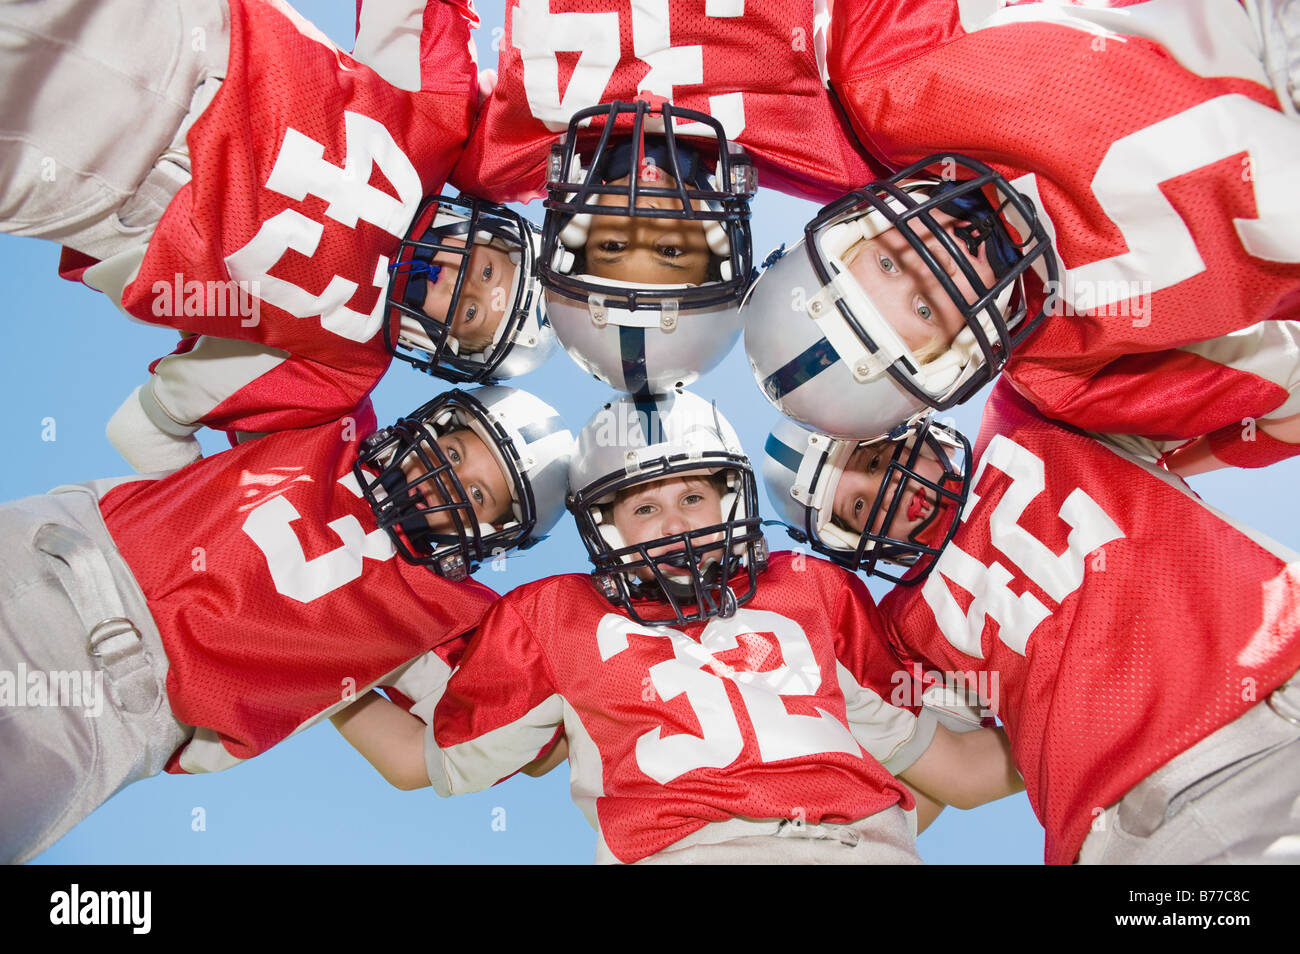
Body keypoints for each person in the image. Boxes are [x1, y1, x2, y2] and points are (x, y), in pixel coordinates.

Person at [332, 389, 1023, 864]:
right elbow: (415, 760)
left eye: (693, 496)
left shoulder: (815, 590)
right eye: (644, 508)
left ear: (732, 502)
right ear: (605, 526)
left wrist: (1088, 710)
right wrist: (320, 658)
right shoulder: (553, 619)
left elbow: (960, 773)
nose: (673, 525)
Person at [0, 384, 574, 864]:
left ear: (495, 535)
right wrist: (202, 502)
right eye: (451, 453)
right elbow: (145, 421)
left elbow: (420, 758)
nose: (441, 485)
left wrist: (324, 670)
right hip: (59, 560)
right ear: (430, 424)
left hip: (116, 713)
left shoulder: (444, 613)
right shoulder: (331, 420)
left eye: (476, 494)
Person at [0, 0, 553, 475]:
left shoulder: (338, 371)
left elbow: (144, 428)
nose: (456, 283)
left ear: (445, 350)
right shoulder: (437, 120)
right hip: (191, 37)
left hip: (105, 188)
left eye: (471, 313)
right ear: (490, 230)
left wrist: (202, 523)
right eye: (485, 271)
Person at [763, 377, 1300, 863]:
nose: (885, 494)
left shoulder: (1028, 408)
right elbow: (966, 774)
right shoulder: (906, 626)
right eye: (858, 509)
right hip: (1128, 825)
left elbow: (1251, 391)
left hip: (1274, 688)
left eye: (875, 462)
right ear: (848, 542)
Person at [748, 0, 1300, 472]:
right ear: (963, 357)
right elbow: (1289, 389)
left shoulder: (886, 71)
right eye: (923, 311)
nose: (946, 258)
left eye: (889, 265)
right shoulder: (1072, 376)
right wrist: (1177, 472)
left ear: (852, 228)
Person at [449, 1, 885, 396]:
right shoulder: (830, 151)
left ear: (571, 235)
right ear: (721, 244)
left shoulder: (494, 158)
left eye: (613, 247)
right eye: (671, 251)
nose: (649, 219)